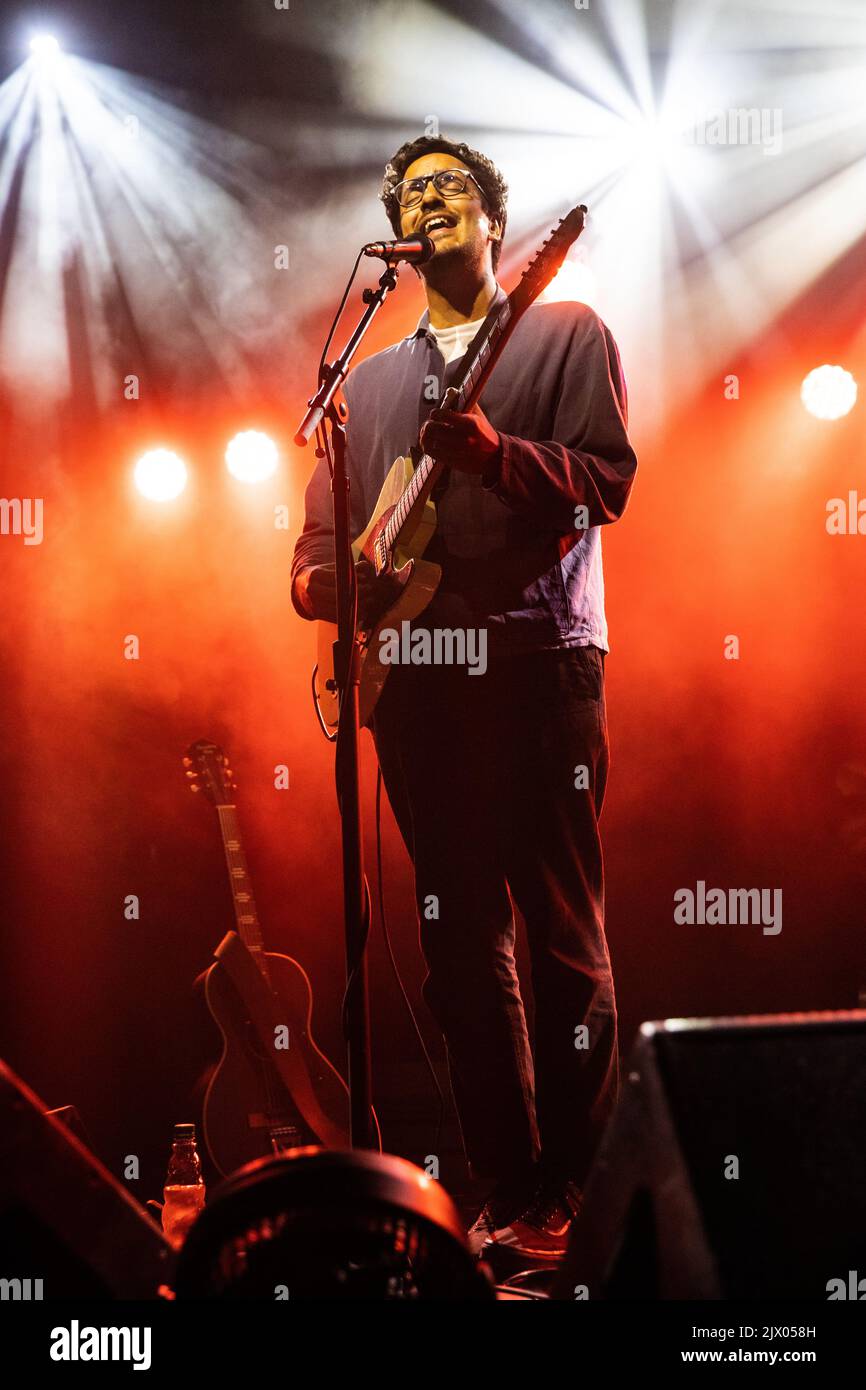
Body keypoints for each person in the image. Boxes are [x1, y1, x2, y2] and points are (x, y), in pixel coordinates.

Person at [291, 135, 637, 1261]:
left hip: (538, 659)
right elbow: (318, 544)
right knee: (457, 948)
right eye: (408, 193)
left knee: (560, 938)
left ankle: (581, 1192)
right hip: (416, 687)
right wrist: (322, 584)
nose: (425, 202)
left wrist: (495, 458)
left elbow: (604, 482)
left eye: (448, 189)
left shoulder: (563, 329)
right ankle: (505, 1185)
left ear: (493, 220)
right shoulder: (373, 380)